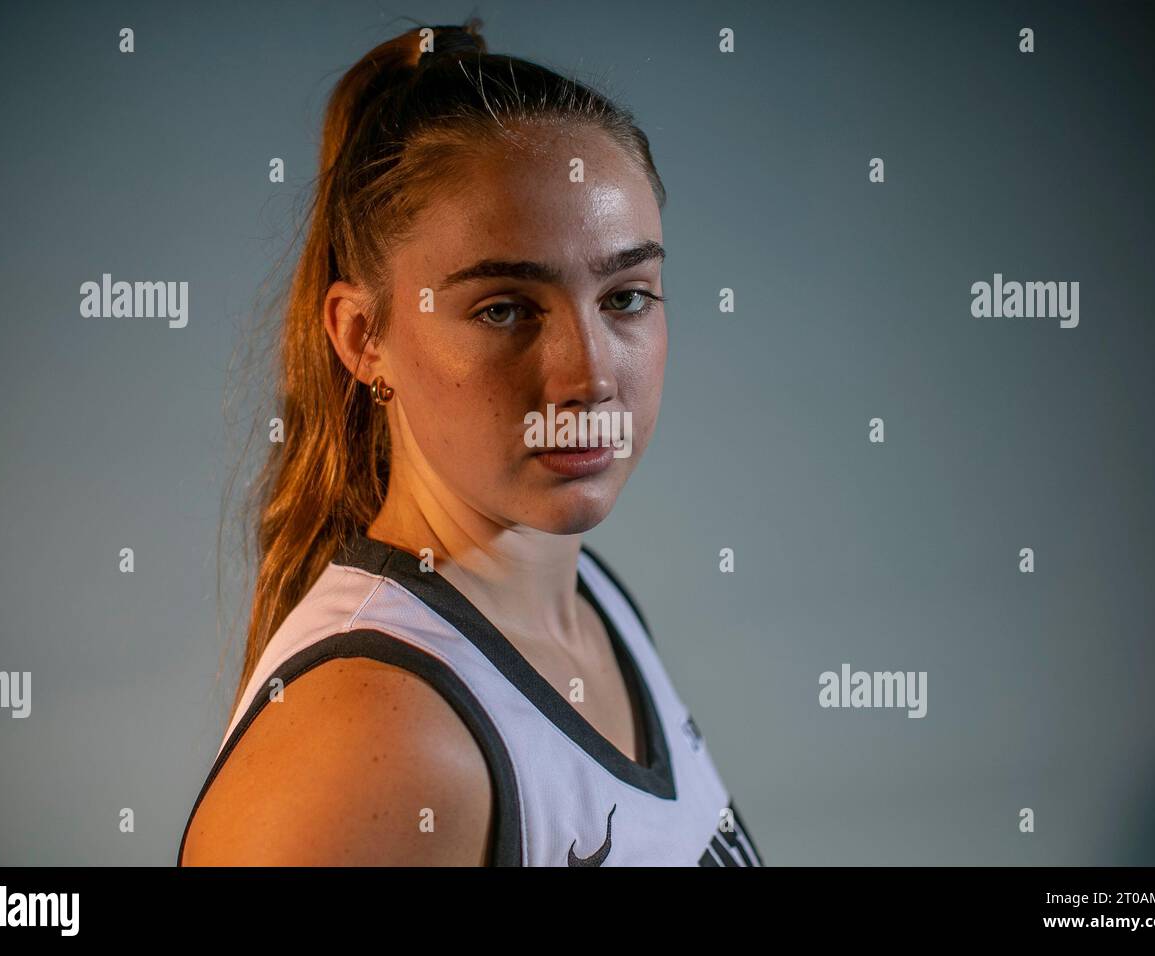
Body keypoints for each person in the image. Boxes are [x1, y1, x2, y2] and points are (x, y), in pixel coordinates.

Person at [177, 17, 763, 867]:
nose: (589, 375)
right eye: (504, 309)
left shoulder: (593, 606)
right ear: (361, 336)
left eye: (626, 297)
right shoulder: (371, 747)